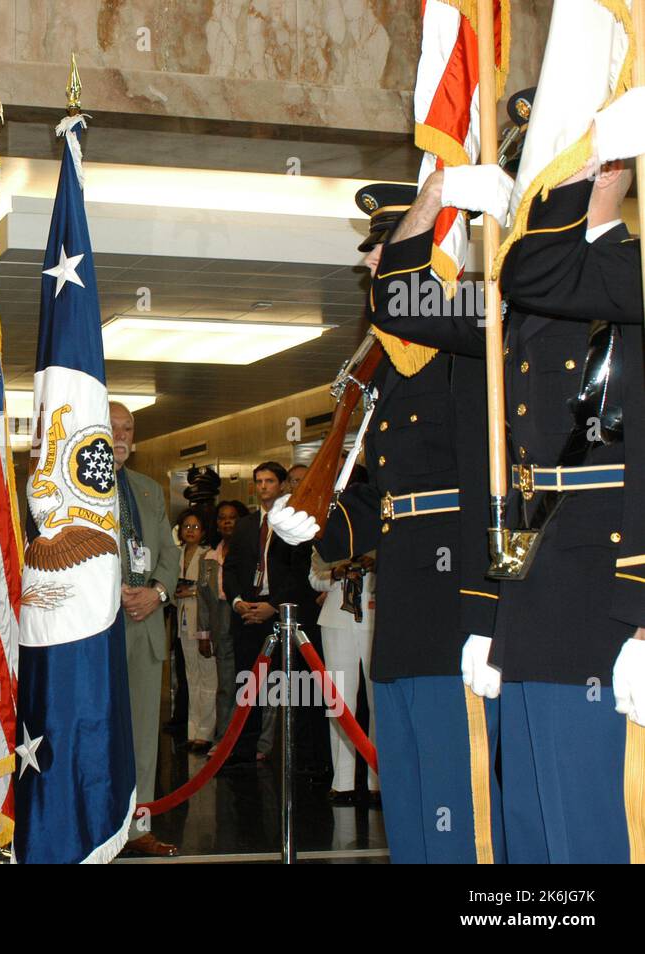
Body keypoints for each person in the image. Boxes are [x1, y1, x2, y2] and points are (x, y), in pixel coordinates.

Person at [271, 169, 513, 862]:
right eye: (377, 250)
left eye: (386, 247)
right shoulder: (391, 367)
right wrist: (321, 525)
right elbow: (386, 496)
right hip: (404, 607)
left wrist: (481, 616)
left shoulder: (471, 355)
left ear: (435, 252)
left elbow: (492, 490)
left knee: (456, 797)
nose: (372, 261)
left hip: (457, 605)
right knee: (405, 793)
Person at [469, 90, 645, 860]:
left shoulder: (626, 272)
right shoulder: (544, 292)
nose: (530, 189)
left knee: (584, 821)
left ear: (604, 170)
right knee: (532, 821)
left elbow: (533, 265)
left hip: (600, 584)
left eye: (544, 171)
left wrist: (642, 605)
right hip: (537, 578)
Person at [111, 400, 181, 857]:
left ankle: (138, 830)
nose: (120, 434)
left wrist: (155, 592)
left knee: (142, 737)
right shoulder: (77, 489)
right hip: (99, 625)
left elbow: (169, 557)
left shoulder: (151, 490)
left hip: (147, 623)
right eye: (111, 426)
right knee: (97, 729)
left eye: (127, 428)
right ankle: (97, 828)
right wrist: (114, 592)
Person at [221, 462, 309, 763]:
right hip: (247, 610)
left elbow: (300, 571)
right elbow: (230, 569)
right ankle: (245, 745)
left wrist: (274, 606)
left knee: (286, 684)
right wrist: (237, 602)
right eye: (258, 481)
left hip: (280, 610)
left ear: (282, 485)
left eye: (269, 481)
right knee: (248, 682)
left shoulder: (295, 521)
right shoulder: (246, 524)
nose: (263, 487)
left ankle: (284, 748)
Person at [308, 543, 378, 804]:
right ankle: (343, 781)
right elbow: (315, 578)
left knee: (378, 701)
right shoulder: (329, 536)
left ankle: (378, 779)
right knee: (339, 701)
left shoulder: (381, 530)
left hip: (375, 616)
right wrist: (335, 573)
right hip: (336, 620)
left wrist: (376, 565)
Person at [173, 508, 217, 753]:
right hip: (182, 621)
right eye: (186, 526)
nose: (190, 531)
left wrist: (188, 591)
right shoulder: (176, 554)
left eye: (195, 527)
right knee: (191, 677)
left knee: (208, 677)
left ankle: (206, 732)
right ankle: (192, 730)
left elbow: (210, 591)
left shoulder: (208, 554)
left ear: (204, 531)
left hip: (203, 623)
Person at [210, 500, 248, 745]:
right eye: (222, 517)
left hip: (245, 612)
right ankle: (223, 740)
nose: (227, 522)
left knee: (249, 682)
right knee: (225, 683)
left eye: (232, 517)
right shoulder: (211, 555)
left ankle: (251, 742)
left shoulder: (249, 550)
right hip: (220, 615)